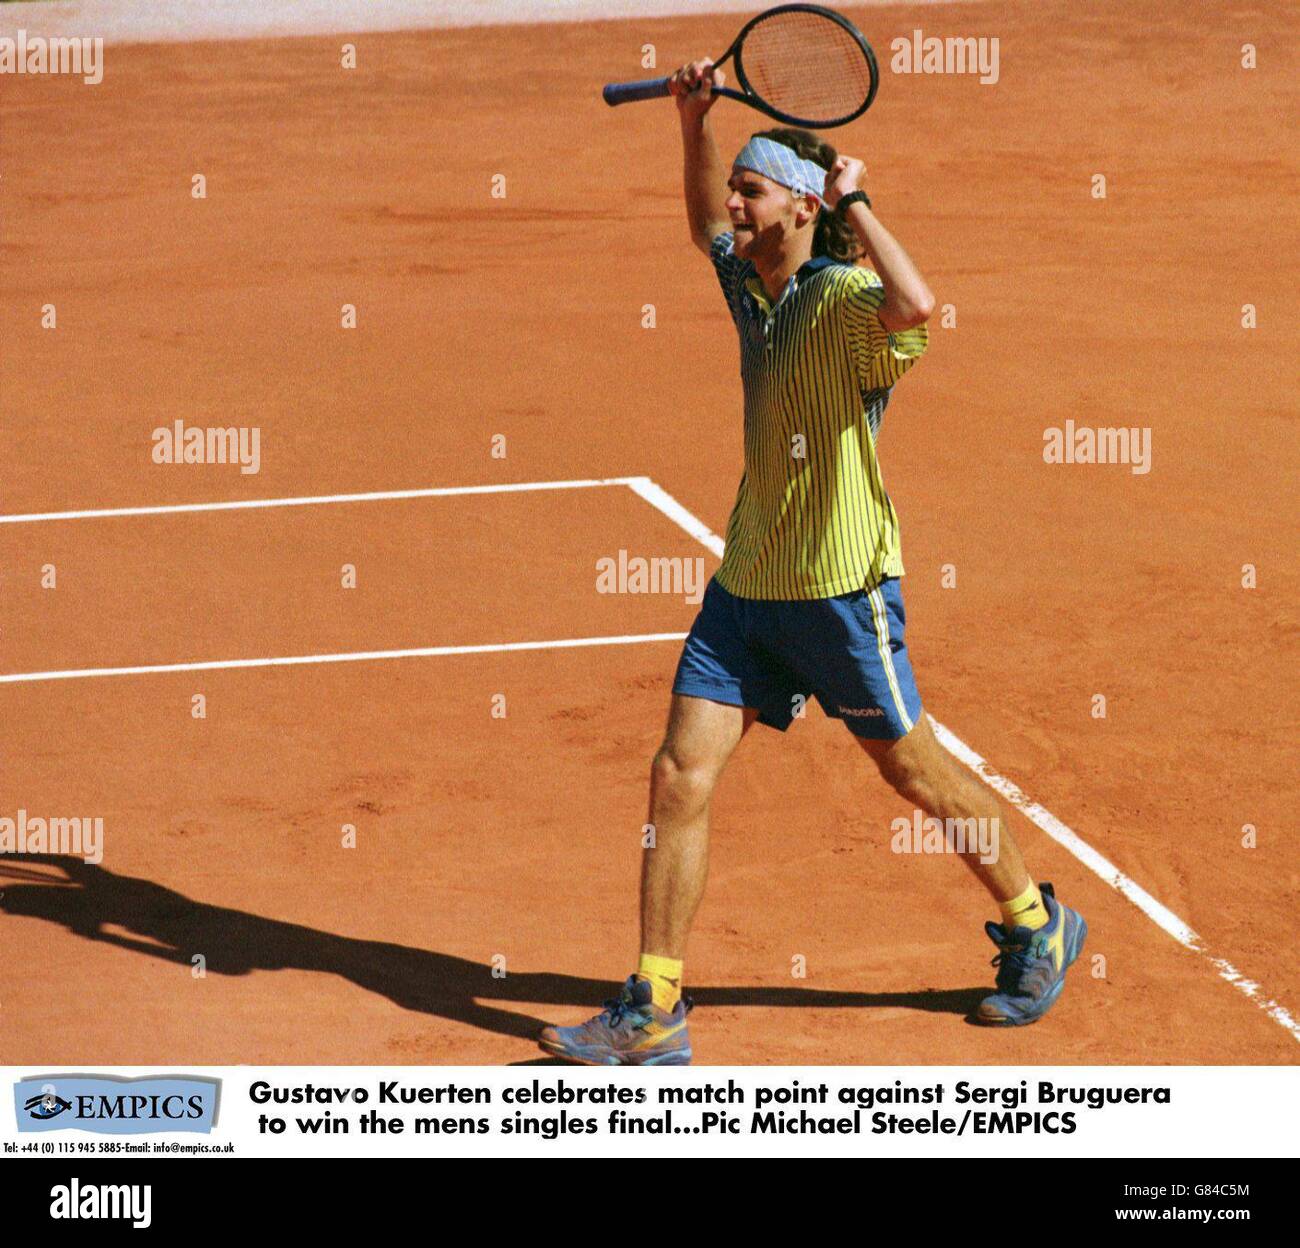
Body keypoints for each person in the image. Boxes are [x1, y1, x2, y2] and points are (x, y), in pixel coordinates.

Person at [539, 58, 1086, 1065]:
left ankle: (1033, 922)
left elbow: (919, 308)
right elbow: (701, 220)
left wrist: (861, 199)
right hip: (749, 585)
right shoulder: (754, 285)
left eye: (753, 191)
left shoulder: (844, 298)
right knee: (677, 774)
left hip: (840, 593)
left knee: (911, 770)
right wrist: (697, 124)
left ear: (799, 203)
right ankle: (655, 1003)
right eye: (741, 190)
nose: (735, 210)